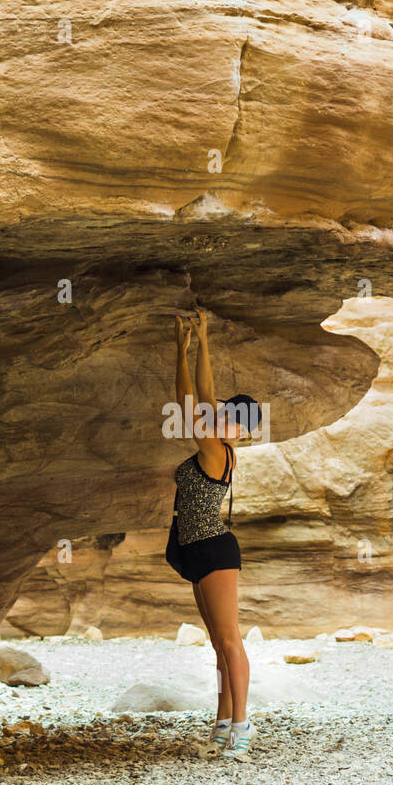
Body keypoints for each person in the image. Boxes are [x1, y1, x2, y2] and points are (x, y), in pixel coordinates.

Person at [167, 308, 261, 756]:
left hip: (216, 551)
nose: (217, 411)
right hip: (198, 551)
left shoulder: (217, 449)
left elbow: (188, 404)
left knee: (229, 639)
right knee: (216, 642)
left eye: (226, 413)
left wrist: (179, 351)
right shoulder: (219, 442)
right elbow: (204, 396)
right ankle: (224, 719)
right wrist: (203, 339)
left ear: (238, 428)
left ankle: (242, 724)